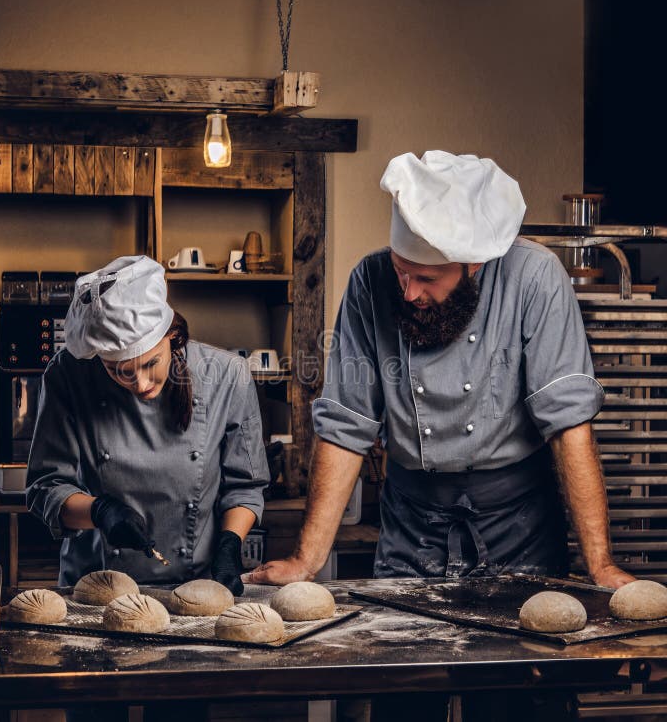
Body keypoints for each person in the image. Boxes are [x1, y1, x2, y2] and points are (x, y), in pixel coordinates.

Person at [245, 150, 634, 591]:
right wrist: (305, 560)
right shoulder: (367, 283)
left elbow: (568, 425)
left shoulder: (534, 278)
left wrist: (600, 565)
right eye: (401, 272)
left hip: (518, 524)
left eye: (427, 278)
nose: (409, 293)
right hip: (411, 526)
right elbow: (344, 426)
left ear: (474, 264)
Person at [27, 255, 269, 595]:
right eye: (120, 371)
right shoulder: (68, 376)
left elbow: (245, 487)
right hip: (94, 588)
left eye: (151, 363)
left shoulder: (227, 376)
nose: (140, 384)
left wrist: (229, 546)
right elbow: (45, 488)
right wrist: (100, 512)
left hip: (195, 586)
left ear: (172, 335)